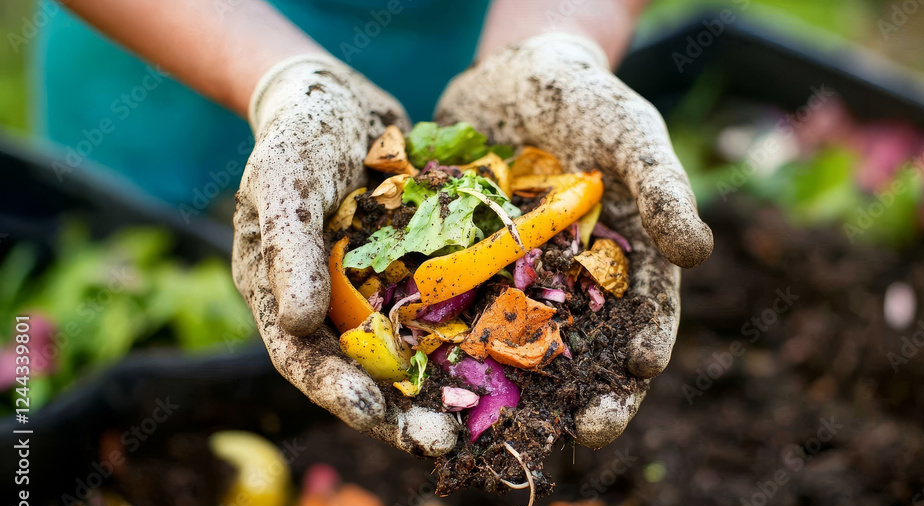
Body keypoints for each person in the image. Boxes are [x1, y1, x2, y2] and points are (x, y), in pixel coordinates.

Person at [43, 0, 713, 456]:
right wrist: (279, 80)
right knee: (148, 280)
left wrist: (558, 41)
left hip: (482, 37)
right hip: (168, 58)